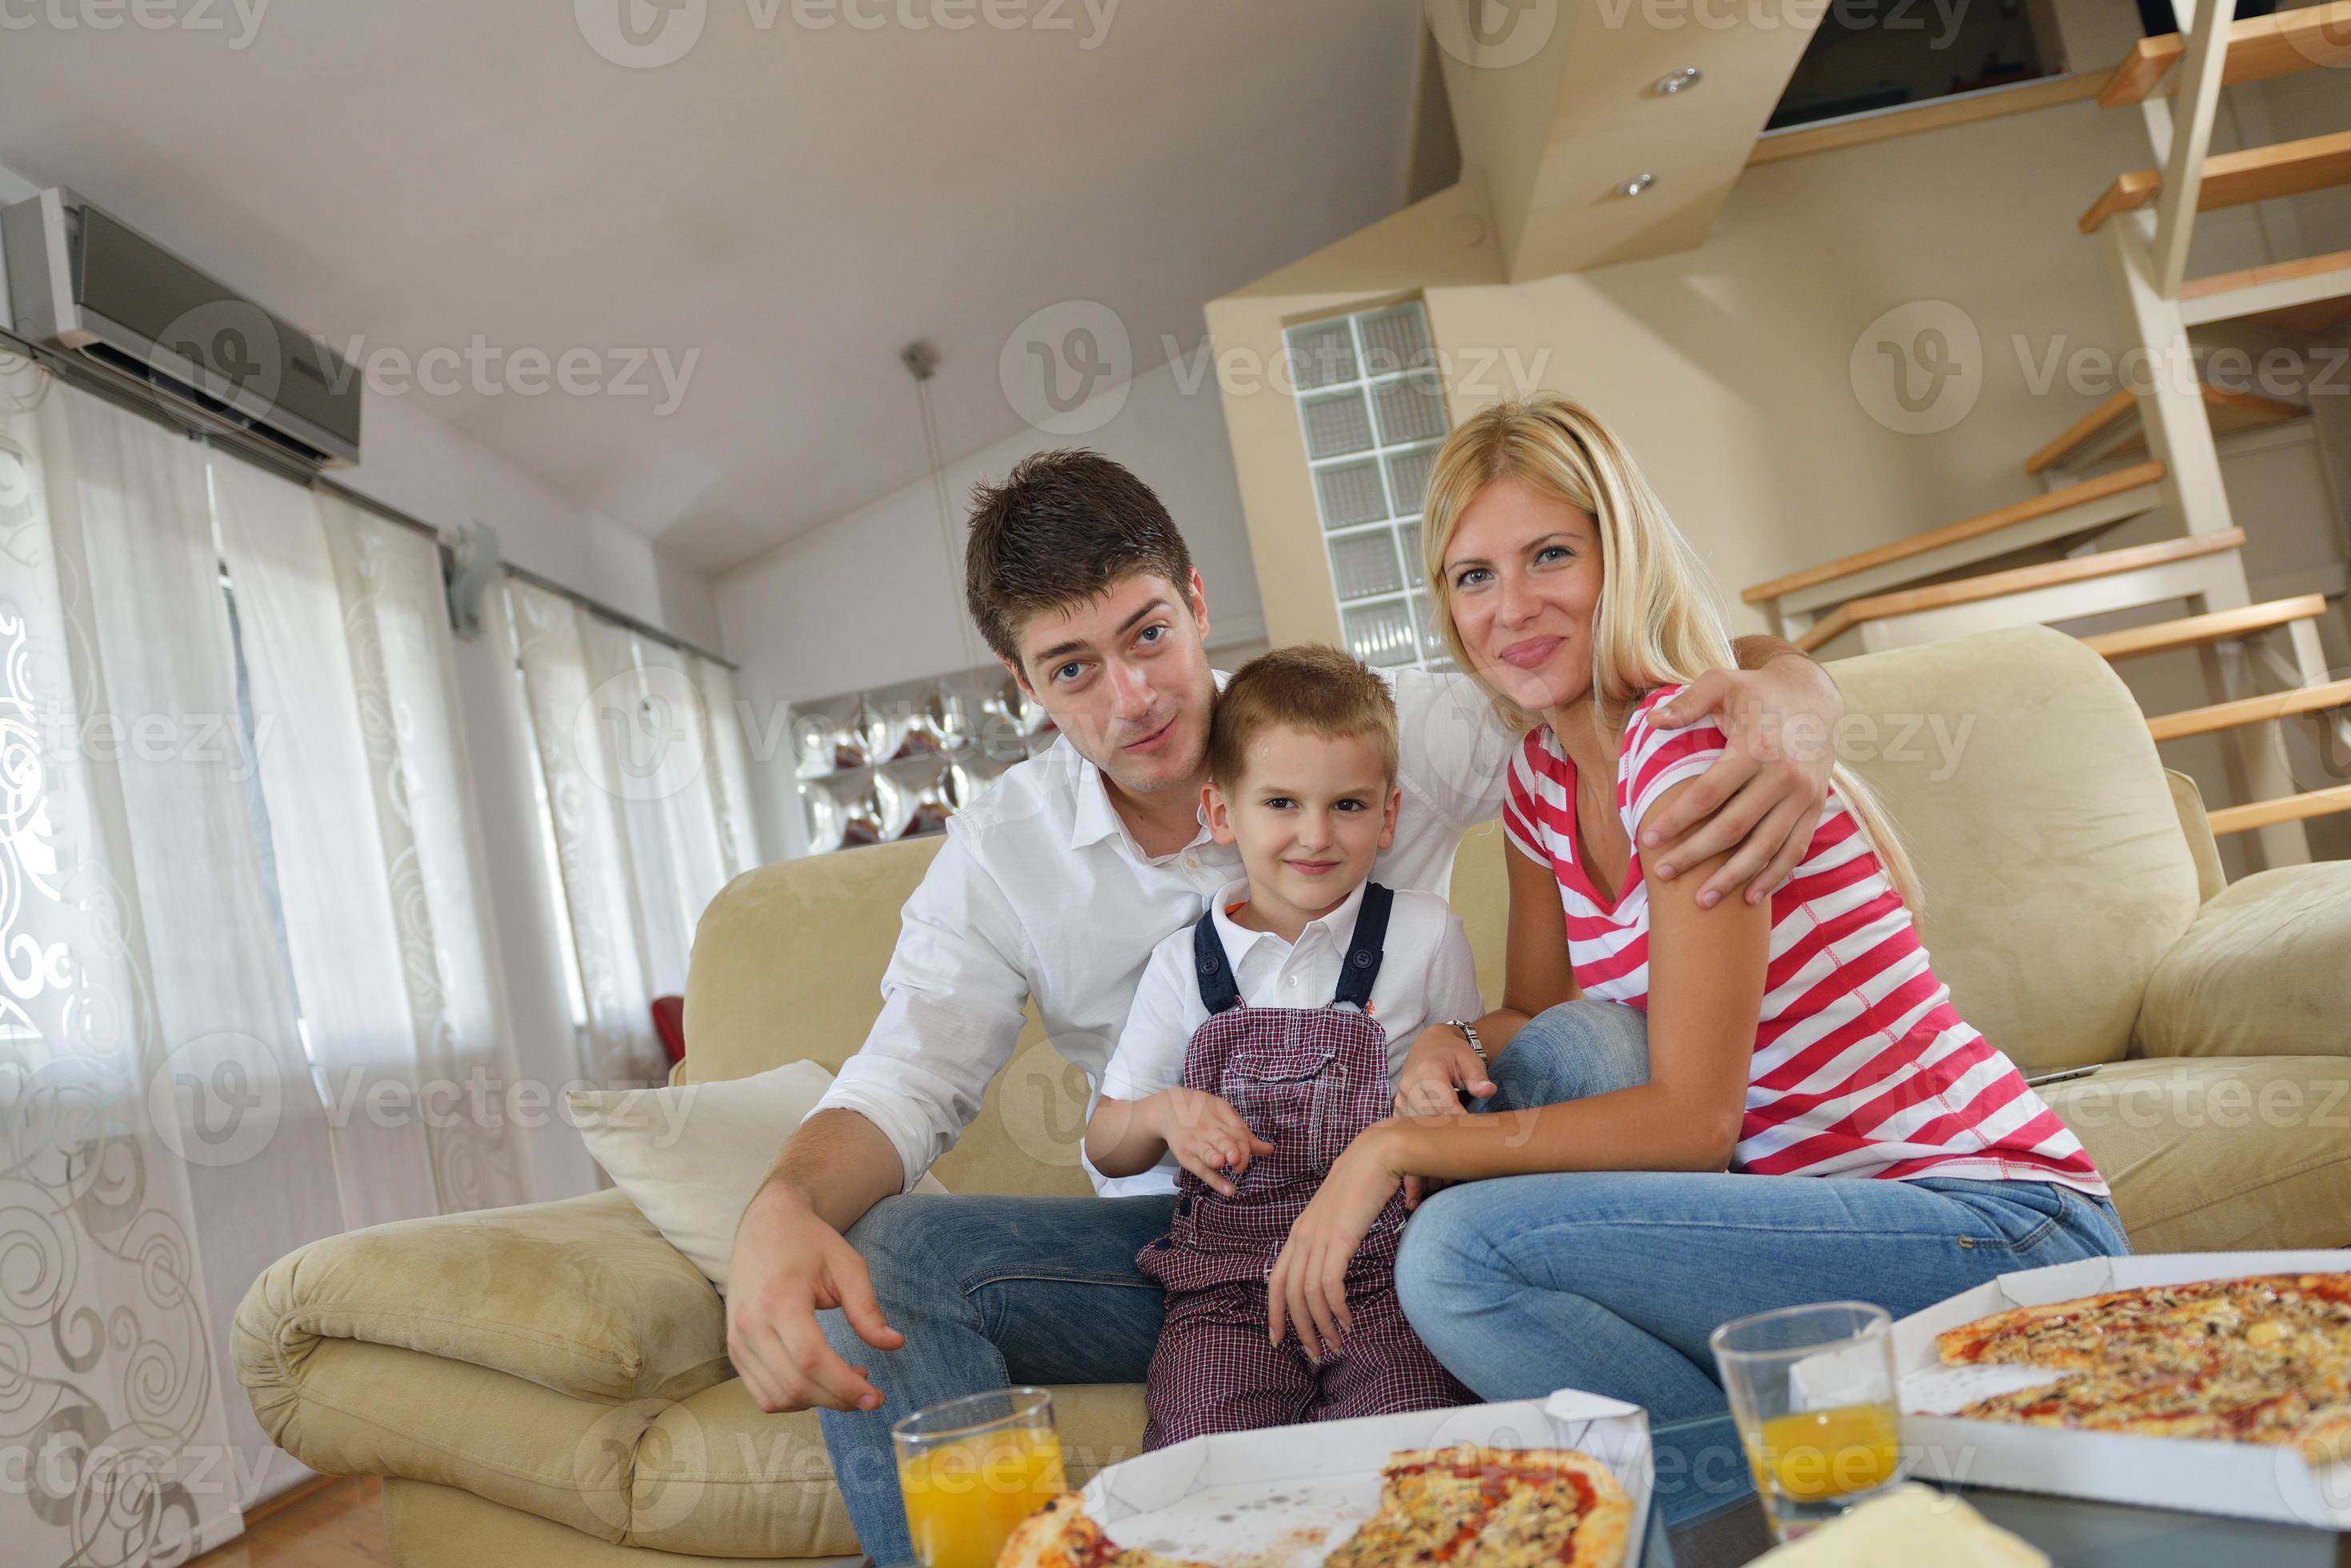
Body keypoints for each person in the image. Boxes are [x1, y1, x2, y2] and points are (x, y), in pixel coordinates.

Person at [721, 449, 1847, 1562]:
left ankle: (1650, 1503)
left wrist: (1791, 688)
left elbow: (1595, 668)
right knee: (882, 1252)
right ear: (1023, 685)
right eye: (1071, 669)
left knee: (1587, 1043)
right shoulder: (1002, 858)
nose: (1134, 696)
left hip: (1413, 1219)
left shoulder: (1371, 724)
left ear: (1198, 601)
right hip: (1193, 1247)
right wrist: (783, 1204)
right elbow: (908, 1078)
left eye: (1148, 634)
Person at [1239, 394, 2125, 1452]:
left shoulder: (1692, 753)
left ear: (1620, 559)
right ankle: (1804, 1485)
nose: (1510, 608)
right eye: (1474, 576)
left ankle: (1761, 1506)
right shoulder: (1539, 779)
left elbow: (1693, 1122)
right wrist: (1454, 1040)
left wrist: (1391, 1145)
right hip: (1796, 1223)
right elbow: (1539, 1011)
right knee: (1563, 1062)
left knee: (1456, 1258)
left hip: (1990, 1219)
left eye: (1549, 557)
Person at [1087, 646, 1482, 1448]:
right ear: (1222, 813)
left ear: (1388, 814)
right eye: (1280, 802)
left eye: (1346, 804)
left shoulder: (1426, 933)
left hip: (1384, 1276)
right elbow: (1105, 1140)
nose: (1314, 834)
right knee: (1199, 1446)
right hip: (1224, 1291)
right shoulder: (1182, 966)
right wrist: (1165, 1112)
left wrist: (1440, 1105)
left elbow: (1468, 1083)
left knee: (1415, 1443)